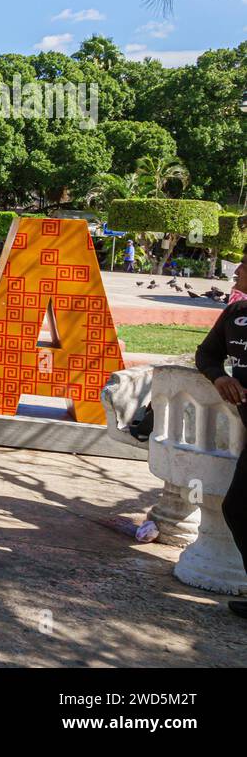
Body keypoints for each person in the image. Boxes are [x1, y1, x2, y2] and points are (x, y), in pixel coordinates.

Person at [194, 252, 247, 622]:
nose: (238, 270)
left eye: (245, 265)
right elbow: (206, 353)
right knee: (238, 508)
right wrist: (219, 377)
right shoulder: (233, 314)